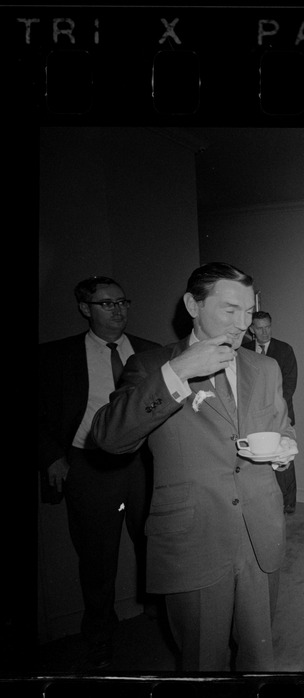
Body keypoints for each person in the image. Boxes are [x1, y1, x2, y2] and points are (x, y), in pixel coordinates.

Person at [91, 263, 297, 671]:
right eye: (229, 310)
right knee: (202, 663)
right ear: (192, 305)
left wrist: (286, 448)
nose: (243, 325)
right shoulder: (151, 367)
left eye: (249, 311)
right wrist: (180, 370)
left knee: (260, 658)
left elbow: (281, 427)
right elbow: (109, 438)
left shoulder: (266, 367)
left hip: (260, 534)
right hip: (194, 538)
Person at [38, 276, 161, 670]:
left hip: (142, 465)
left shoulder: (149, 352)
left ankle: (159, 621)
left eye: (123, 302)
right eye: (107, 304)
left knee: (153, 545)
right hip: (89, 467)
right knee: (97, 559)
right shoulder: (57, 356)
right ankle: (100, 637)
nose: (118, 310)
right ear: (85, 308)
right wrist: (52, 456)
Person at [244, 311, 298, 514]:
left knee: (284, 457)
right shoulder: (243, 350)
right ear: (252, 329)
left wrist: (269, 407)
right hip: (253, 418)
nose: (265, 332)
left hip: (280, 414)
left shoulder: (284, 350)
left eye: (268, 327)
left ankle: (288, 503)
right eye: (260, 328)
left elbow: (289, 386)